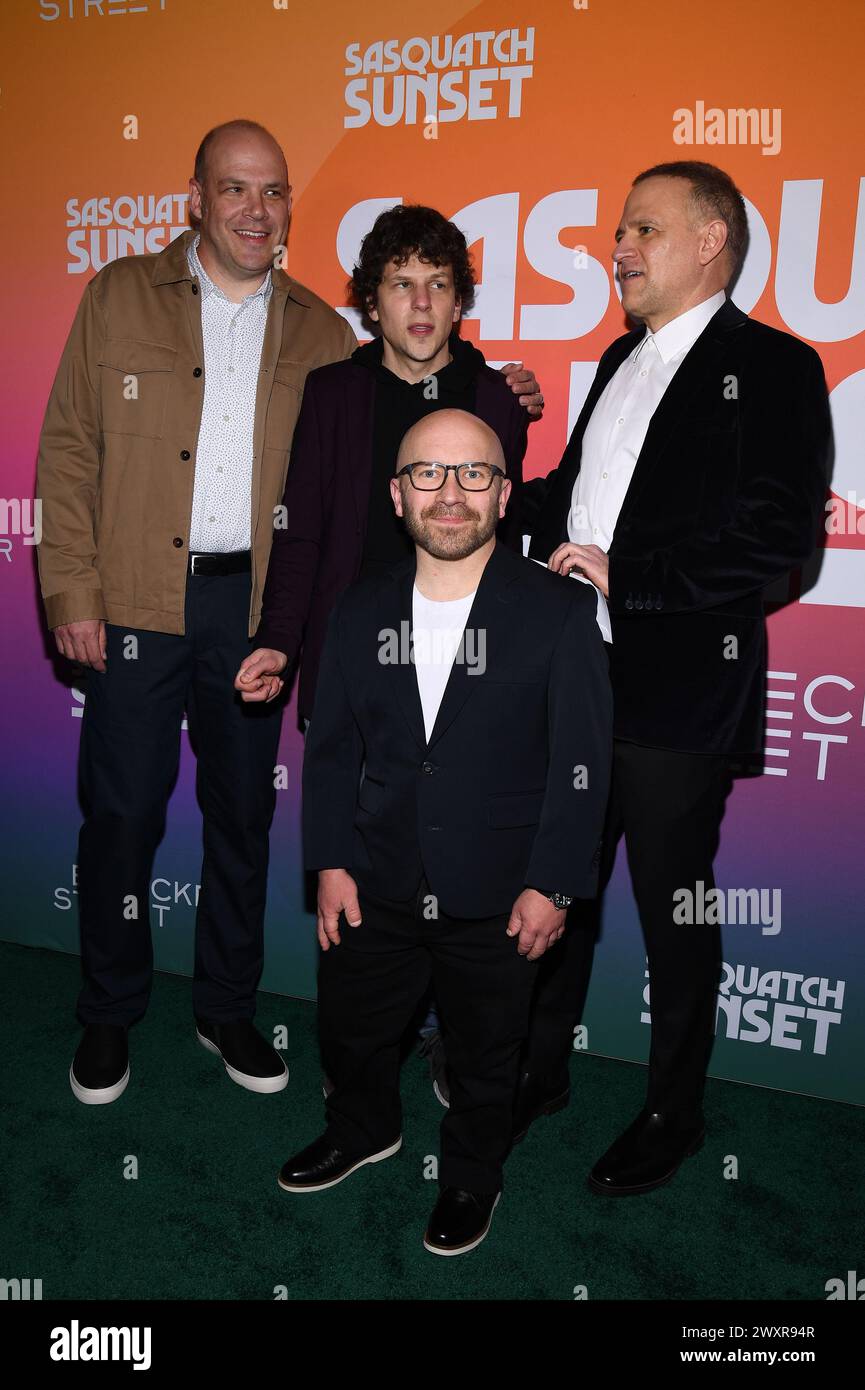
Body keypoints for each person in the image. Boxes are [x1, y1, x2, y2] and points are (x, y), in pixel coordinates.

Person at [519, 161, 831, 1194]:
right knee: (560, 878)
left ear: (710, 241)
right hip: (578, 675)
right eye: (617, 227)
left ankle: (672, 1111)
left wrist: (637, 578)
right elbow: (567, 497)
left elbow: (784, 533)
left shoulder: (775, 367)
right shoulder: (615, 356)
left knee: (674, 911)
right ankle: (539, 1067)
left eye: (642, 227)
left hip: (682, 693)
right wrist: (474, 499)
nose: (618, 245)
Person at [36, 119, 357, 1104]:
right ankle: (109, 1011)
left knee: (244, 816)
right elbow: (70, 450)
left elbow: (355, 469)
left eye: (274, 192)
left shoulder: (321, 329)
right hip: (134, 596)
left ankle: (226, 1005)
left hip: (253, 609)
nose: (257, 211)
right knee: (123, 816)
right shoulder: (119, 293)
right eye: (235, 190)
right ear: (196, 197)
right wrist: (74, 592)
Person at [276, 409, 612, 1255]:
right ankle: (361, 1129)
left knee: (485, 1053)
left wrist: (554, 883)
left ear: (503, 494)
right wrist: (329, 862)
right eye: (428, 474)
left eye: (473, 475)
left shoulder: (558, 611)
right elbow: (330, 753)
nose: (451, 493)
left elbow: (584, 764)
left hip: (502, 887)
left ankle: (470, 1178)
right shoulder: (357, 607)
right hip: (376, 870)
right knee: (350, 1025)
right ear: (397, 494)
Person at [235, 203, 544, 1103]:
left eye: (438, 285)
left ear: (459, 301)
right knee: (366, 871)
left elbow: (511, 535)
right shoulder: (332, 393)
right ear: (371, 301)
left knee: (467, 860)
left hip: (474, 676)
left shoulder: (492, 398)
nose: (419, 303)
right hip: (359, 671)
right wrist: (278, 644)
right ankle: (364, 1070)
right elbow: (300, 535)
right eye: (401, 284)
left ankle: (455, 1040)